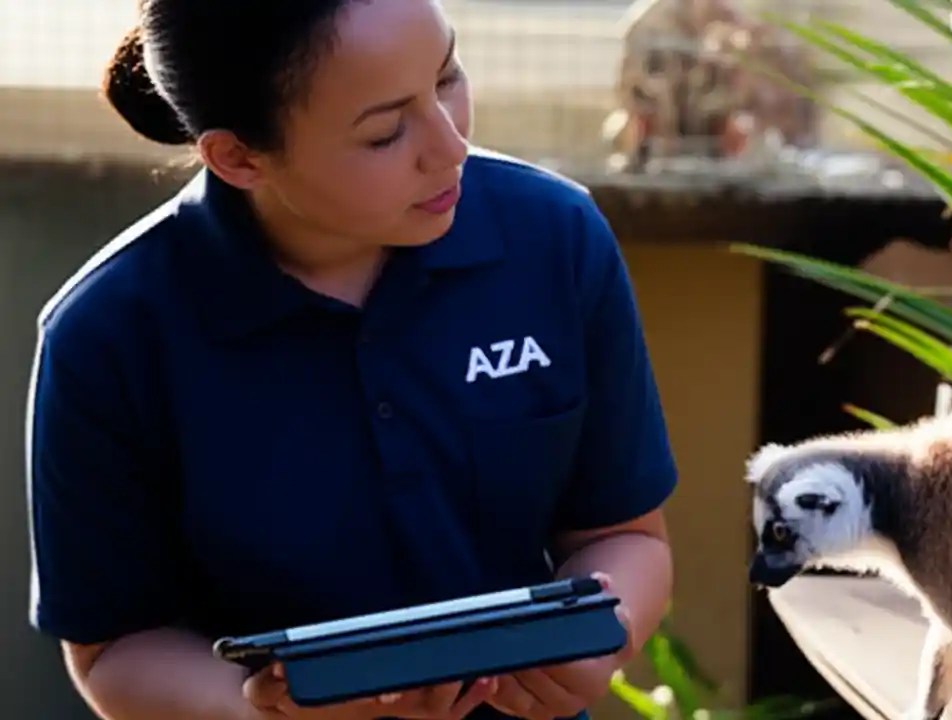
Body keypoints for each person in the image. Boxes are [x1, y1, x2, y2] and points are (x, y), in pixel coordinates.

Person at [23, 1, 678, 719]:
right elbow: (112, 648)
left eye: (448, 76)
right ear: (238, 157)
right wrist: (266, 712)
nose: (450, 144)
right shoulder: (107, 333)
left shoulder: (556, 238)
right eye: (386, 132)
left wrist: (599, 636)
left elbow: (624, 535)